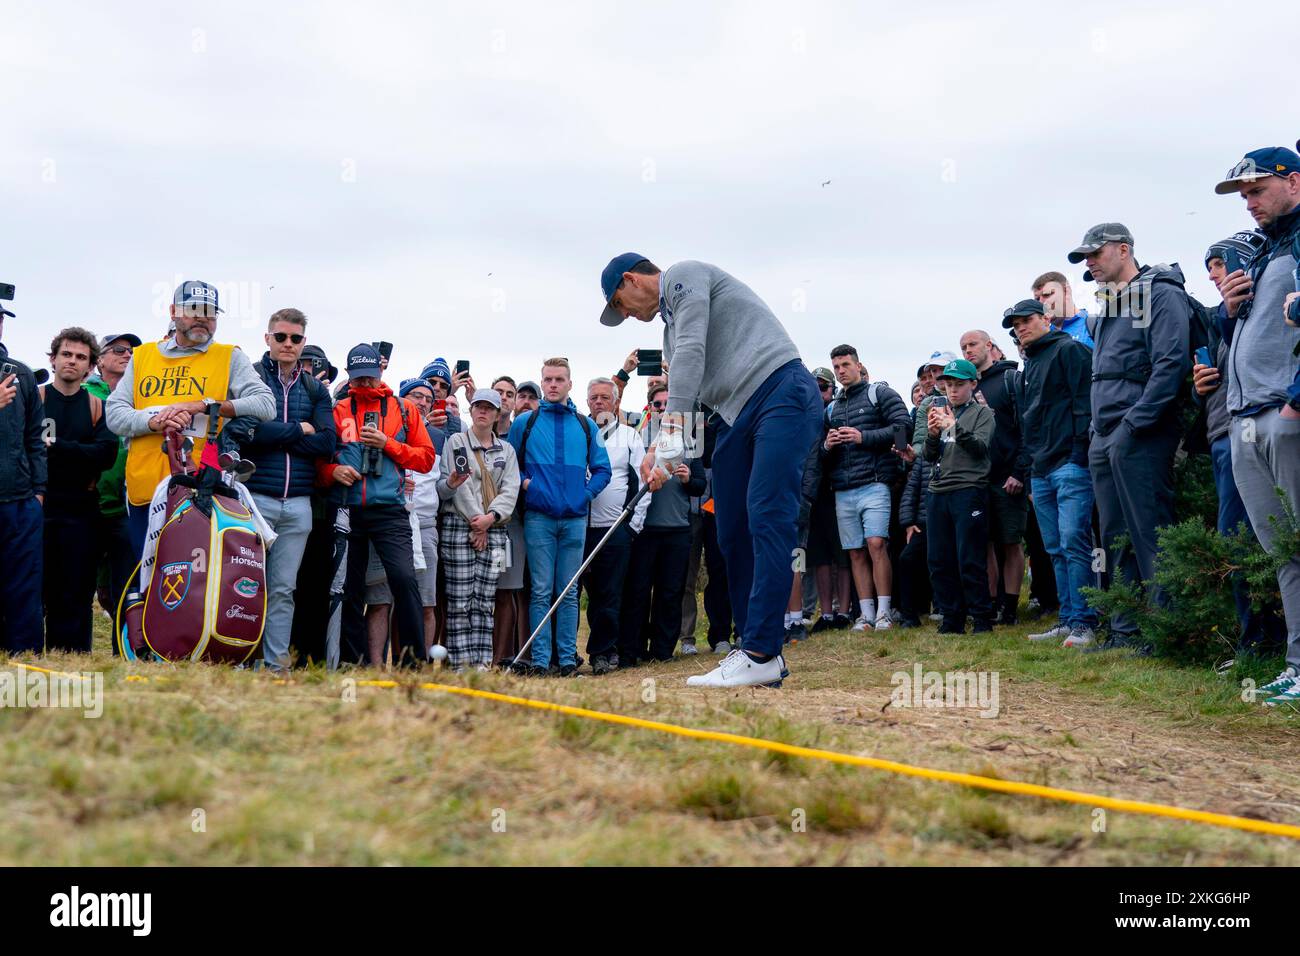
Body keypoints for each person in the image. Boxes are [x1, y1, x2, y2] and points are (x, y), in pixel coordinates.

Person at [599, 253, 820, 688]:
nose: (627, 315)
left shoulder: (683, 277)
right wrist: (661, 459)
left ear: (630, 280)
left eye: (621, 304)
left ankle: (761, 650)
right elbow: (691, 395)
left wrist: (667, 442)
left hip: (781, 390)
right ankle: (751, 651)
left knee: (767, 515)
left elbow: (692, 353)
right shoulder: (666, 334)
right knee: (731, 527)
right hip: (737, 415)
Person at [1068, 223, 1192, 650]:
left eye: (1095, 253)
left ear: (1124, 250)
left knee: (1150, 532)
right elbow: (1100, 376)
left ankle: (1164, 632)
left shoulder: (1160, 292)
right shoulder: (1107, 306)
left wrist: (1134, 425)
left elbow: (1171, 365)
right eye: (1085, 256)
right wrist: (1095, 434)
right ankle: (1124, 630)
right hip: (1104, 436)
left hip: (1141, 431)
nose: (1089, 262)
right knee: (1115, 536)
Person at [1207, 147, 1300, 703]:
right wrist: (1227, 308)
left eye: (1257, 189)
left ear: (1293, 180)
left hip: (1283, 416)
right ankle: (1296, 666)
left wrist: (1296, 403)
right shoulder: (1265, 249)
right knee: (1284, 551)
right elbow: (1258, 329)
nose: (1248, 202)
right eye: (1243, 194)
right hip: (1243, 419)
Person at [105, 280, 275, 559]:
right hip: (145, 487)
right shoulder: (143, 355)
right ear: (173, 311)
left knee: (197, 584)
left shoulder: (229, 355)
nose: (202, 319)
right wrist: (156, 420)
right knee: (148, 581)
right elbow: (114, 415)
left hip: (203, 489)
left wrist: (205, 406)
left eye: (209, 313)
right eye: (193, 310)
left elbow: (265, 403)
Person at [1197, 231, 1286, 662]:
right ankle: (1256, 642)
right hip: (1223, 433)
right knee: (1240, 543)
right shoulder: (1227, 314)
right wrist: (1201, 386)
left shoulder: (1269, 297)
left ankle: (1264, 645)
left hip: (1258, 429)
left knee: (1257, 542)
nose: (1214, 275)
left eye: (1218, 264)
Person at [318, 345, 436, 667]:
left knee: (403, 579)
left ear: (381, 373)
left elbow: (425, 459)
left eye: (370, 378)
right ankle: (351, 662)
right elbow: (318, 460)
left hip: (390, 509)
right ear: (349, 376)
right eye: (358, 379)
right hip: (347, 508)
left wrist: (390, 445)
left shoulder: (404, 409)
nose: (365, 385)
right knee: (349, 587)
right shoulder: (338, 409)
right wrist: (332, 472)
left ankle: (412, 662)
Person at [240, 309, 337, 669]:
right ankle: (240, 658)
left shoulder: (314, 388)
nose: (288, 344)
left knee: (283, 589)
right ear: (268, 339)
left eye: (295, 338)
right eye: (280, 337)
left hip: (298, 502)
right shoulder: (249, 377)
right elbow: (247, 434)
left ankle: (274, 666)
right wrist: (299, 430)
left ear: (303, 343)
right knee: (245, 584)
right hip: (254, 497)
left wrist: (276, 436)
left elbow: (327, 442)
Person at [1003, 300, 1098, 647]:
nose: (1021, 327)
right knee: (1054, 547)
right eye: (1015, 324)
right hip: (1040, 469)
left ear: (1046, 319)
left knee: (1074, 542)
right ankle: (1067, 619)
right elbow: (1028, 421)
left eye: (1027, 320)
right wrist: (1029, 472)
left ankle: (1085, 623)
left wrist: (1077, 452)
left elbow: (1085, 405)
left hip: (1070, 463)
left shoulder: (1069, 350)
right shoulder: (1029, 364)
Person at [507, 358, 611, 677]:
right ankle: (540, 660)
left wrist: (585, 494)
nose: (553, 384)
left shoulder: (585, 424)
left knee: (568, 591)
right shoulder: (525, 422)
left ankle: (567, 659)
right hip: (539, 517)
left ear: (569, 384)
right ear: (542, 384)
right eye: (548, 380)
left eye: (559, 379)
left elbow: (603, 469)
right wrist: (530, 486)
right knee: (540, 590)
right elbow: (512, 466)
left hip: (575, 519)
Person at [816, 344, 911, 632]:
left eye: (846, 365)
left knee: (876, 544)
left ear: (859, 365)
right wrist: (827, 446)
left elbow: (902, 428)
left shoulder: (879, 394)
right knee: (855, 552)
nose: (841, 371)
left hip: (875, 482)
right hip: (843, 488)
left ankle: (884, 611)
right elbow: (818, 454)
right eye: (837, 367)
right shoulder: (832, 407)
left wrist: (863, 436)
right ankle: (866, 614)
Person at [40, 327, 118, 652]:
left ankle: (72, 658)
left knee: (76, 590)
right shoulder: (36, 399)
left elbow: (106, 453)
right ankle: (24, 655)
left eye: (81, 357)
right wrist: (80, 451)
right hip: (38, 505)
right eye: (66, 354)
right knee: (32, 589)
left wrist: (55, 447)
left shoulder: (98, 406)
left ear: (90, 366)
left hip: (82, 509)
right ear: (53, 359)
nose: (72, 361)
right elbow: (23, 447)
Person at [619, 383, 704, 665]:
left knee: (670, 592)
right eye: (658, 405)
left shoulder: (691, 441)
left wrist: (687, 478)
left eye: (670, 404)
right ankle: (632, 651)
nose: (665, 410)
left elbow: (700, 486)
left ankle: (662, 651)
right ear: (650, 408)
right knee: (639, 591)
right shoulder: (638, 439)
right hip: (644, 529)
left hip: (678, 528)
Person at [437, 388, 519, 670]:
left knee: (485, 600)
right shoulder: (456, 441)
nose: (482, 411)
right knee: (459, 599)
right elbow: (460, 488)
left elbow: (511, 488)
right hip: (460, 527)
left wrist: (490, 519)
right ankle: (460, 662)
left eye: (489, 408)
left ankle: (482, 662)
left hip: (495, 531)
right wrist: (477, 521)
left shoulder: (507, 450)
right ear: (470, 410)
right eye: (477, 406)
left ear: (497, 414)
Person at [961, 329, 1030, 625]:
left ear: (989, 346)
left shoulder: (1010, 379)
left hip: (1008, 475)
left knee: (1011, 542)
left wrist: (1019, 471)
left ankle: (1011, 608)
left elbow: (1027, 427)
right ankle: (991, 605)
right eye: (963, 347)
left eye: (972, 344)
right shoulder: (965, 387)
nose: (967, 351)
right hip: (978, 478)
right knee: (985, 543)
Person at [922, 358, 996, 633]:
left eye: (959, 384)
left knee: (969, 557)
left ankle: (981, 618)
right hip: (938, 490)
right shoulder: (940, 412)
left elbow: (980, 448)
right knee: (939, 560)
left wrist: (953, 427)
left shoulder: (983, 414)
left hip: (969, 489)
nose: (952, 390)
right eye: (948, 384)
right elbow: (928, 457)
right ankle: (951, 619)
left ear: (973, 384)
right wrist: (931, 435)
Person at [584, 376, 651, 673]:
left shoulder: (629, 436)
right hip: (580, 527)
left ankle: (603, 651)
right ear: (587, 401)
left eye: (604, 397)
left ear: (616, 402)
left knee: (611, 593)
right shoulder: (579, 431)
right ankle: (591, 649)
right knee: (590, 593)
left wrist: (633, 525)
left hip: (615, 528)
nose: (599, 402)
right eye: (594, 398)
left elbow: (642, 483)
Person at [83, 331, 141, 627]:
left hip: (128, 505)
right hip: (89, 502)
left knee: (125, 584)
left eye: (132, 351)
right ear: (100, 359)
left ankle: (125, 648)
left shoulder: (141, 396)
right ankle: (74, 649)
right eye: (118, 349)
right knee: (79, 582)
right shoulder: (85, 393)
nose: (127, 355)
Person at [0, 300, 46, 653]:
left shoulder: (21, 372)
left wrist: (39, 491)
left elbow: (36, 438)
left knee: (23, 585)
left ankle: (24, 658)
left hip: (19, 500)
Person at [806, 367, 853, 631]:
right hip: (815, 493)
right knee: (820, 556)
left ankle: (843, 611)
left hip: (841, 487)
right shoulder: (805, 416)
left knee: (843, 553)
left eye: (823, 387)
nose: (819, 393)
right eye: (814, 387)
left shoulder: (839, 411)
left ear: (832, 390)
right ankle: (825, 614)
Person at [490, 377, 530, 663]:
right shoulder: (474, 433)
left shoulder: (520, 437)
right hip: (477, 525)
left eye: (509, 394)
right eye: (498, 393)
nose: (504, 398)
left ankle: (505, 656)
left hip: (511, 525)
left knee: (508, 589)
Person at [1031, 272, 1095, 349]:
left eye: (1047, 295)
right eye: (1037, 299)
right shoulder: (1042, 338)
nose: (1041, 302)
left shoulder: (1096, 325)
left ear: (1066, 291)